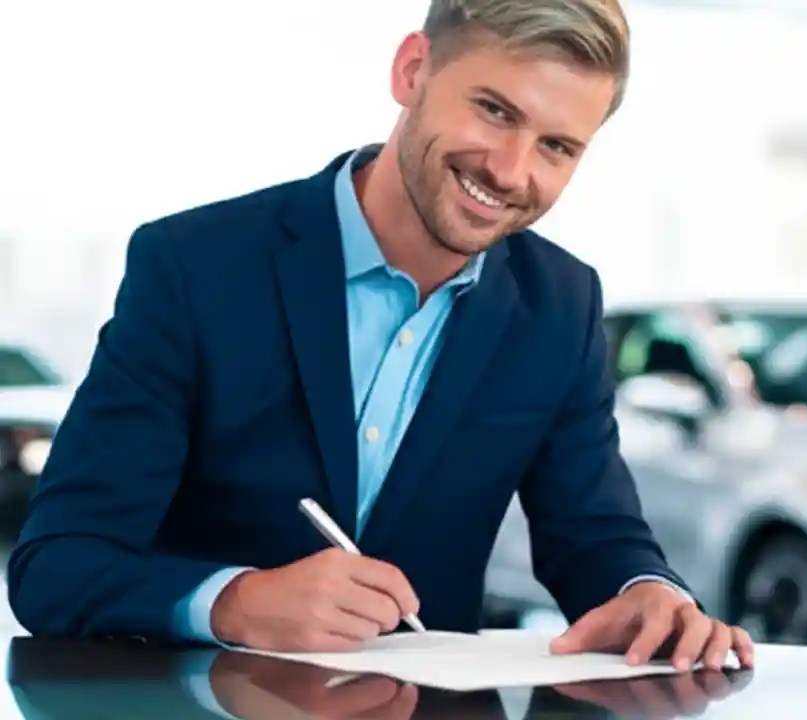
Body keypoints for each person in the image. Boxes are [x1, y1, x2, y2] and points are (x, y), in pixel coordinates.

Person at [8, 0, 755, 672]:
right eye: (494, 111)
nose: (509, 169)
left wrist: (649, 594)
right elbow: (56, 566)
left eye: (556, 147)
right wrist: (233, 601)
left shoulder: (559, 304)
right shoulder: (196, 267)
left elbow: (594, 535)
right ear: (412, 71)